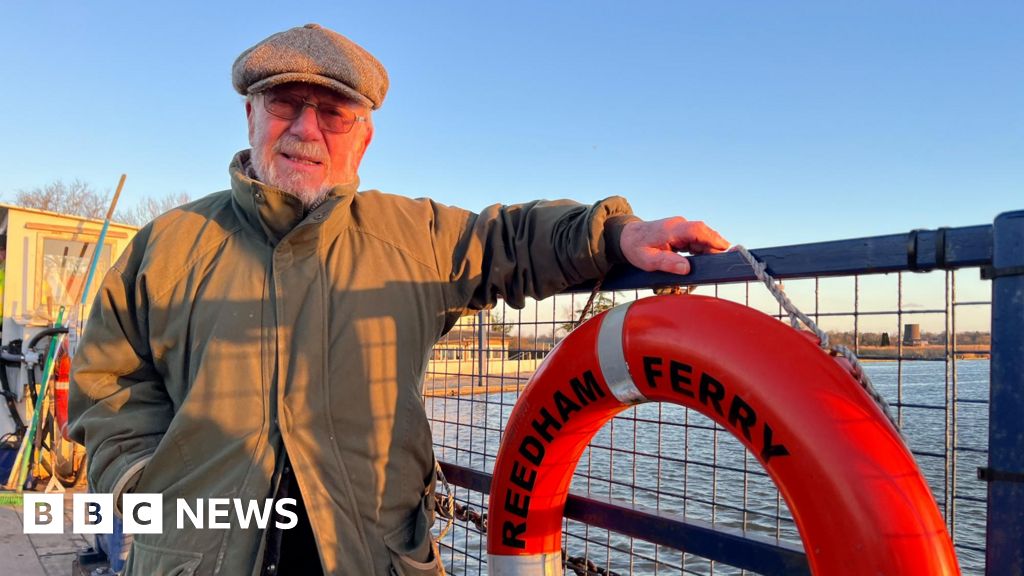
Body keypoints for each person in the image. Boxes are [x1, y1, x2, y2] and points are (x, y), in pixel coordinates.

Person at [69, 23, 729, 576]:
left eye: (334, 112)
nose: (306, 129)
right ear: (251, 115)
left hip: (373, 557)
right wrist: (141, 484)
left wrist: (614, 235)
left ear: (364, 137)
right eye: (285, 103)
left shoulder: (415, 237)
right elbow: (108, 383)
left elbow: (513, 239)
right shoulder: (167, 245)